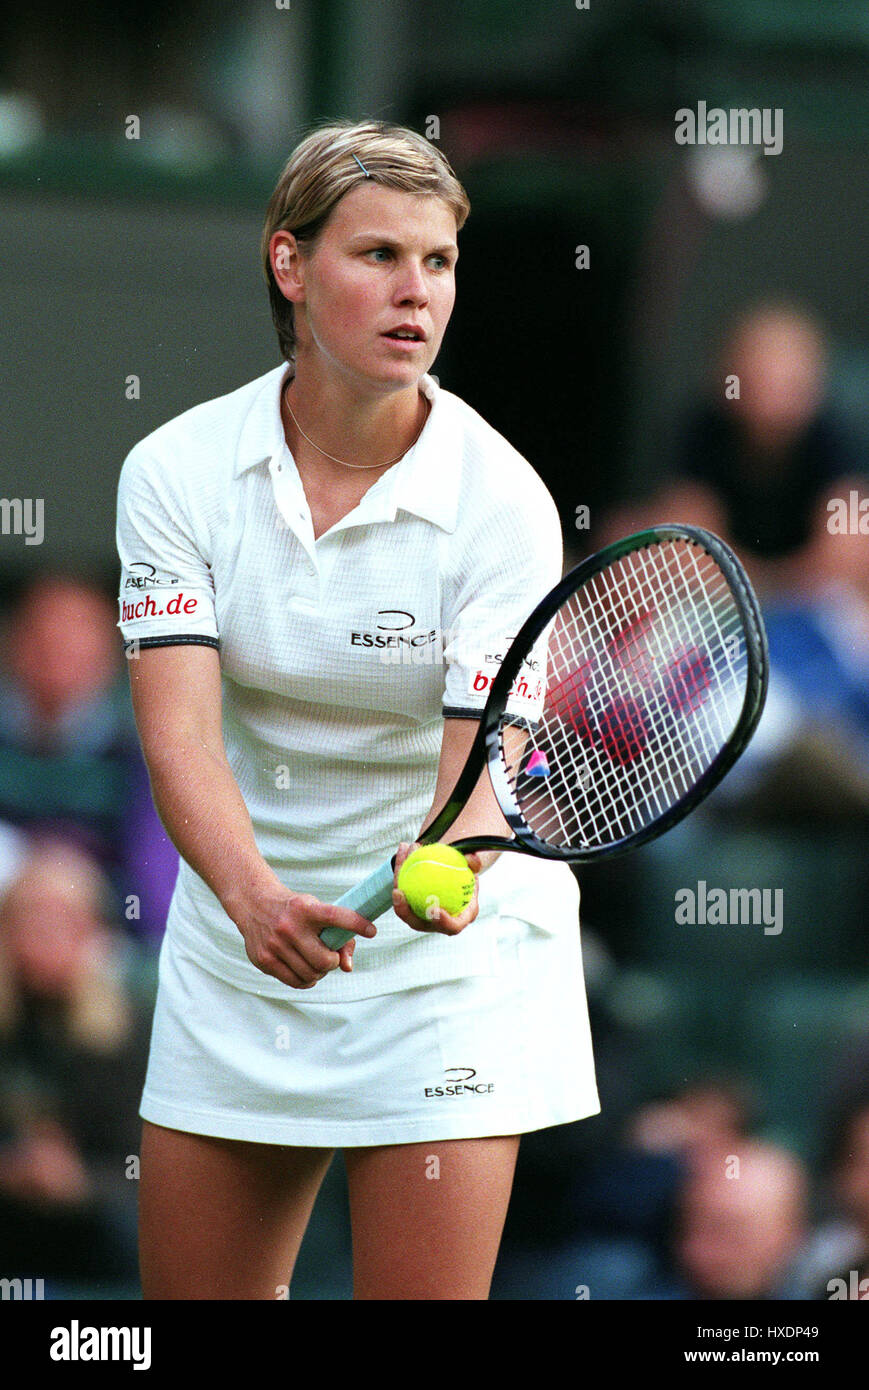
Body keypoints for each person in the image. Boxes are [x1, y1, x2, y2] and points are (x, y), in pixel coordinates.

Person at [116, 119, 600, 1300]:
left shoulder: (502, 503)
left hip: (447, 973)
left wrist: (454, 860)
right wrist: (251, 899)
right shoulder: (174, 473)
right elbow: (178, 732)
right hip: (248, 938)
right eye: (378, 255)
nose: (415, 293)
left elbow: (480, 772)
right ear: (289, 264)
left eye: (436, 263)